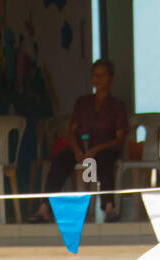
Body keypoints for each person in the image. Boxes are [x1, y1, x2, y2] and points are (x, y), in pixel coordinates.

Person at [30, 58, 128, 223]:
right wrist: (76, 149)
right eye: (95, 75)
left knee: (105, 162)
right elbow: (72, 131)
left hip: (105, 149)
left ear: (111, 78)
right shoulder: (83, 102)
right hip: (81, 149)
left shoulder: (117, 105)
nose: (98, 79)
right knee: (59, 161)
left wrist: (97, 149)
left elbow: (119, 139)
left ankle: (109, 208)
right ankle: (45, 208)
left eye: (103, 75)